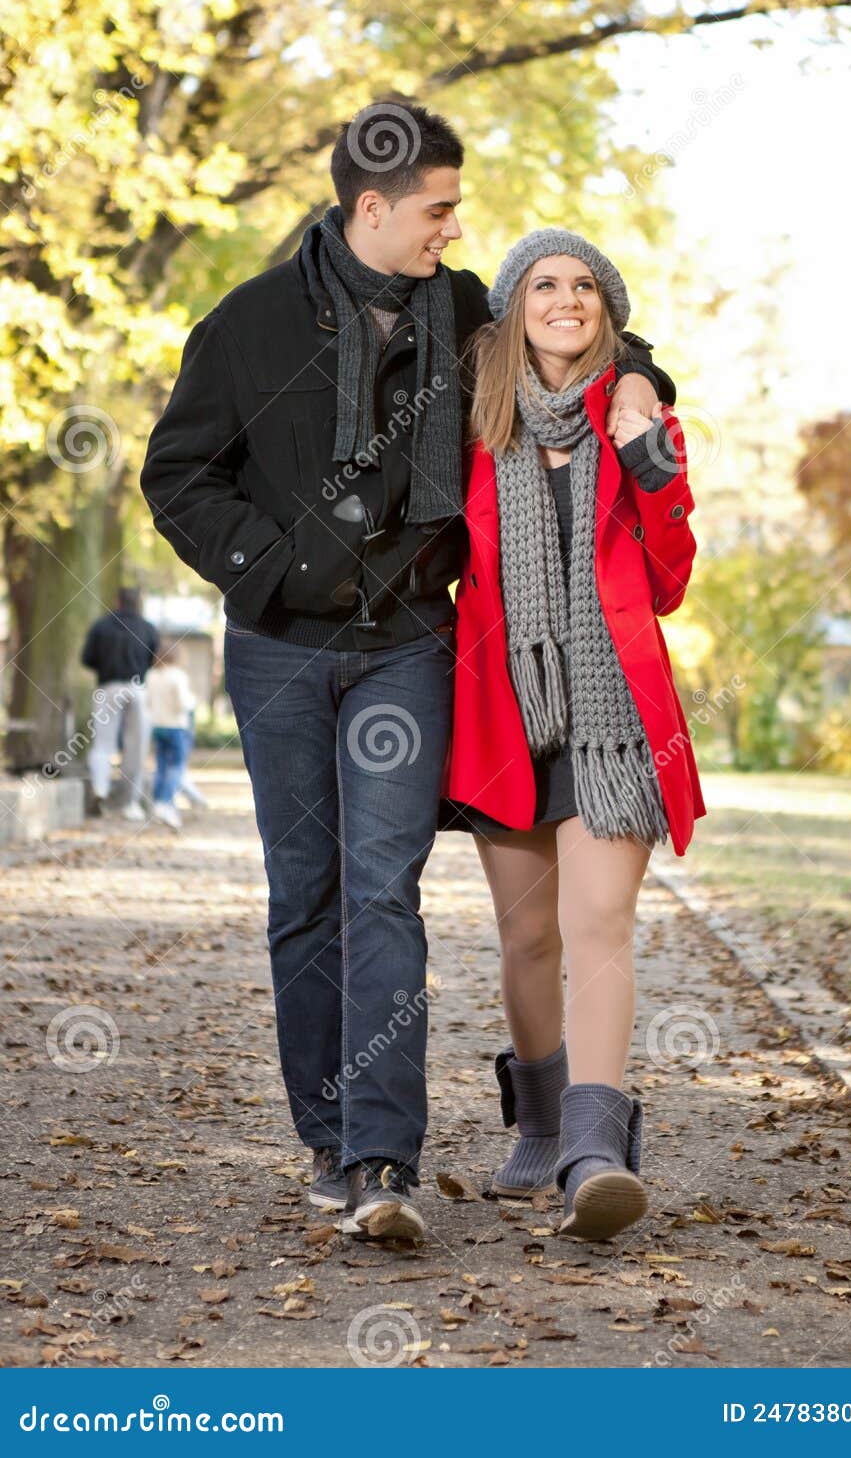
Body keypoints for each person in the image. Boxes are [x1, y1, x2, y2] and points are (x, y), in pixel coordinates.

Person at [139, 99, 676, 1245]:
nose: (451, 227)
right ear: (370, 208)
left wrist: (643, 388)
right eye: (436, 210)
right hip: (279, 646)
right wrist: (271, 565)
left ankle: (387, 1153)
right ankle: (331, 1142)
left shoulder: (464, 309)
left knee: (382, 886)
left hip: (406, 645)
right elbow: (179, 474)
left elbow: (580, 342)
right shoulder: (244, 326)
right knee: (308, 896)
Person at [441, 230, 704, 1242]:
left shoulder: (638, 419)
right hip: (501, 713)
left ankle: (595, 1152)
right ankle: (542, 1120)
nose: (566, 298)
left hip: (612, 720)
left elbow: (670, 578)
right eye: (544, 284)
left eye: (585, 285)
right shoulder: (471, 425)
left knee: (597, 927)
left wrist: (651, 459)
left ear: (608, 312)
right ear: (513, 311)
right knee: (527, 936)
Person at [81, 587, 159, 821]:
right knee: (136, 747)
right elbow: (152, 658)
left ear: (117, 601)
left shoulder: (101, 626)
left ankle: (100, 789)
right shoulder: (148, 627)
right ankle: (129, 803)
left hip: (108, 687)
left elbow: (87, 658)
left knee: (103, 743)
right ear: (138, 602)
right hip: (137, 689)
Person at [146, 656, 198, 830]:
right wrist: (193, 701)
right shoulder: (177, 675)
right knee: (176, 766)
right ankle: (166, 803)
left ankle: (157, 803)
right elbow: (183, 703)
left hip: (158, 725)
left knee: (161, 766)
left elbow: (148, 702)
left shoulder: (151, 675)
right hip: (176, 726)